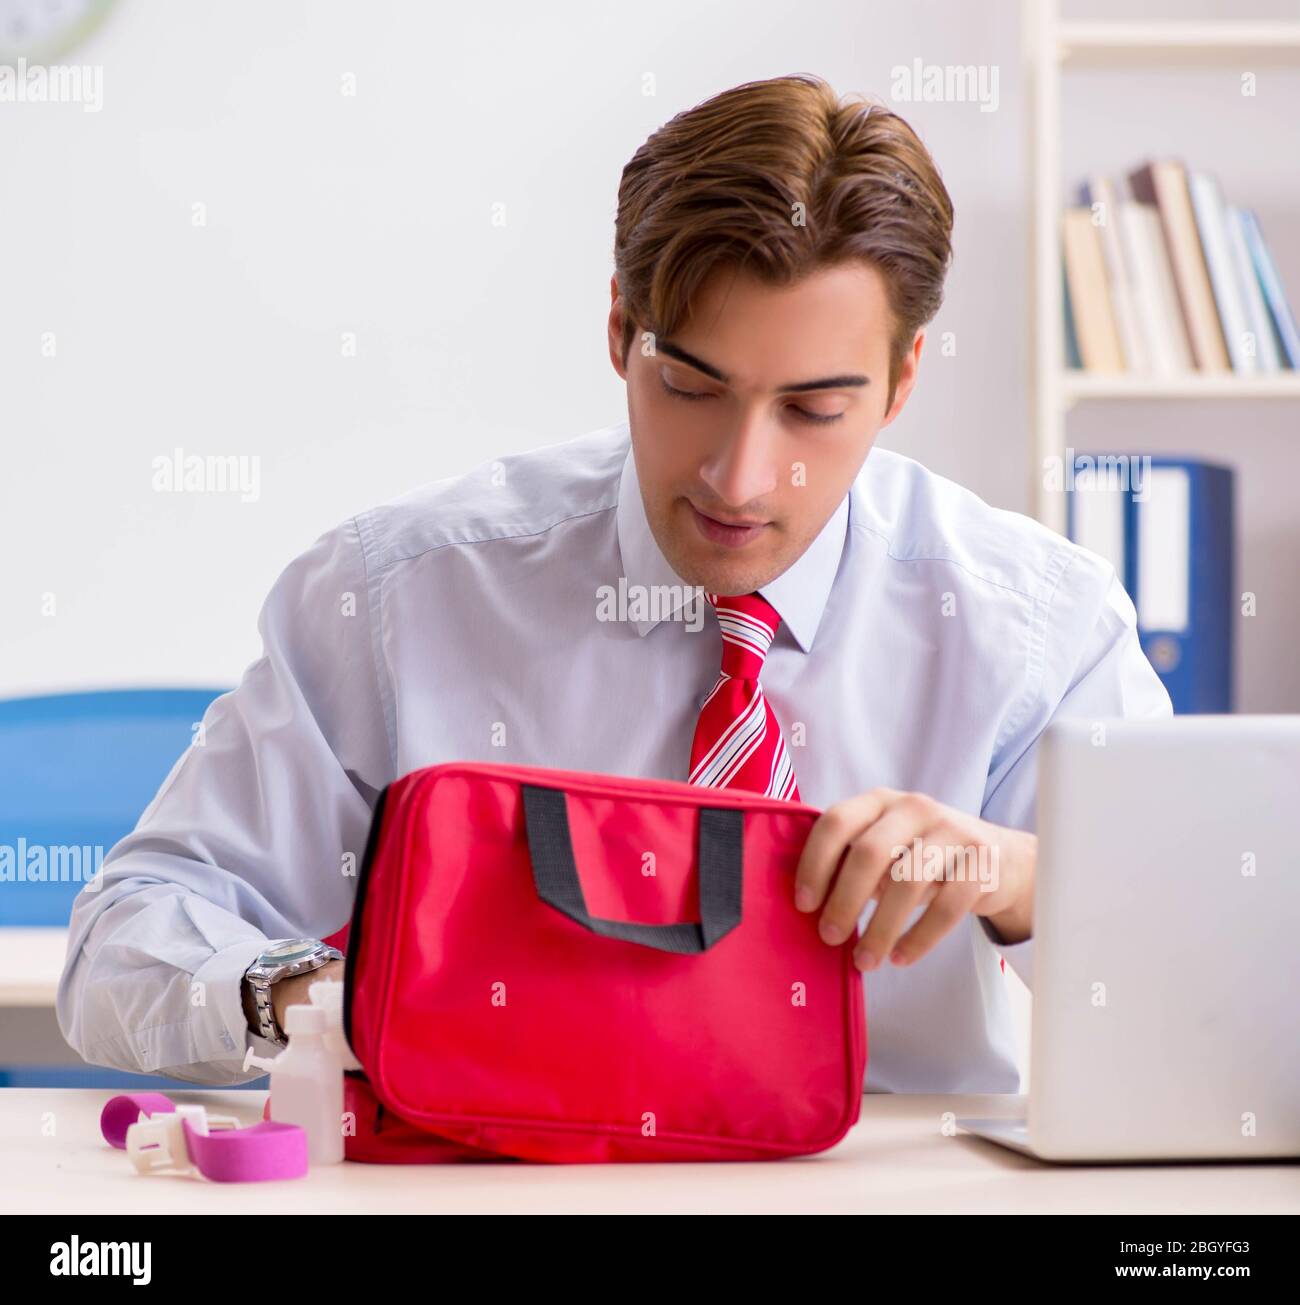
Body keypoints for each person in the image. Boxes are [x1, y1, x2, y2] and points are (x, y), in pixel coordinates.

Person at [58, 73, 1171, 1094]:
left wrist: (1028, 881)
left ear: (901, 382)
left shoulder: (1036, 626)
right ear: (618, 332)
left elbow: (1217, 982)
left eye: (814, 410)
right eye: (690, 384)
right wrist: (333, 1002)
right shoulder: (397, 599)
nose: (739, 476)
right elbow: (125, 943)